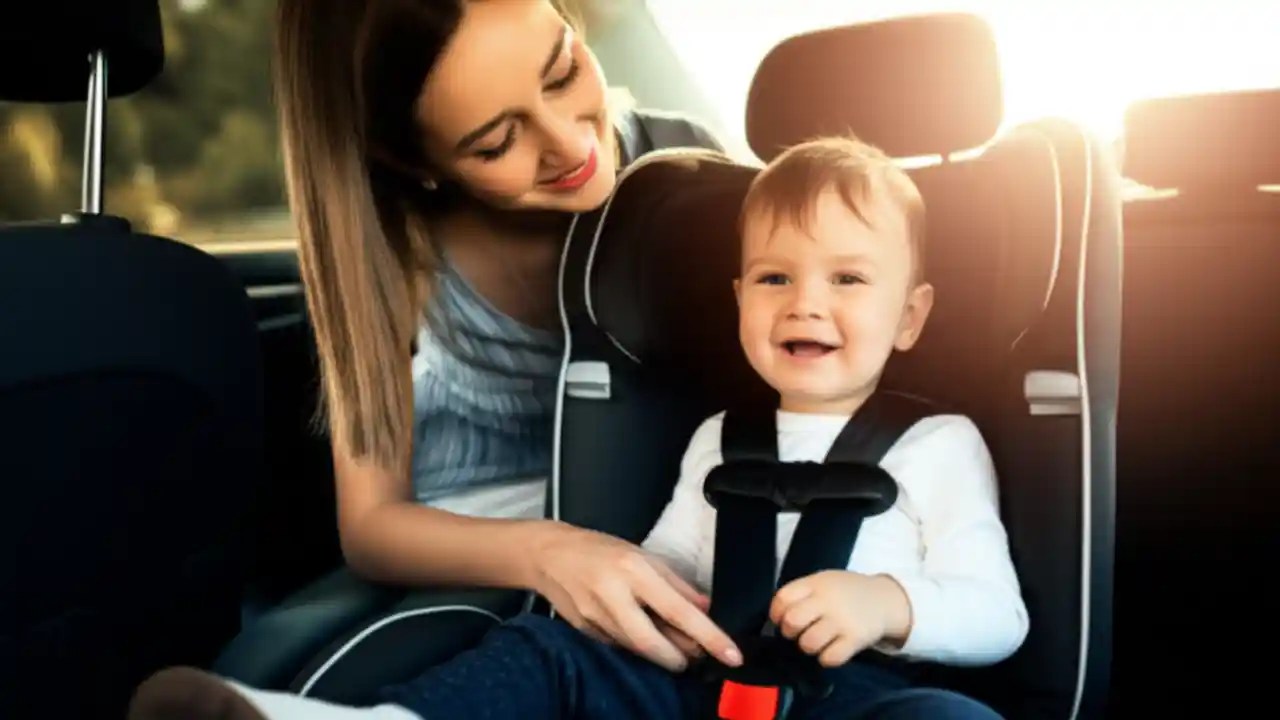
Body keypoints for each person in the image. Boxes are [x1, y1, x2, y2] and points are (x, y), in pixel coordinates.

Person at [129, 136, 1030, 720]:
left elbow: (997, 614)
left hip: (862, 695)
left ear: (910, 317)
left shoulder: (936, 445)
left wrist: (888, 607)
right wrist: (649, 604)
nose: (806, 305)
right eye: (774, 279)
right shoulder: (723, 437)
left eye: (847, 280)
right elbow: (672, 557)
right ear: (738, 300)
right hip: (698, 685)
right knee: (545, 652)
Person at [265, 0, 741, 679]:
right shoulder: (395, 258)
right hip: (482, 545)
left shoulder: (683, 170)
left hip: (667, 507)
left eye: (563, 71)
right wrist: (549, 552)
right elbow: (371, 527)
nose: (571, 145)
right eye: (495, 144)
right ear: (413, 162)